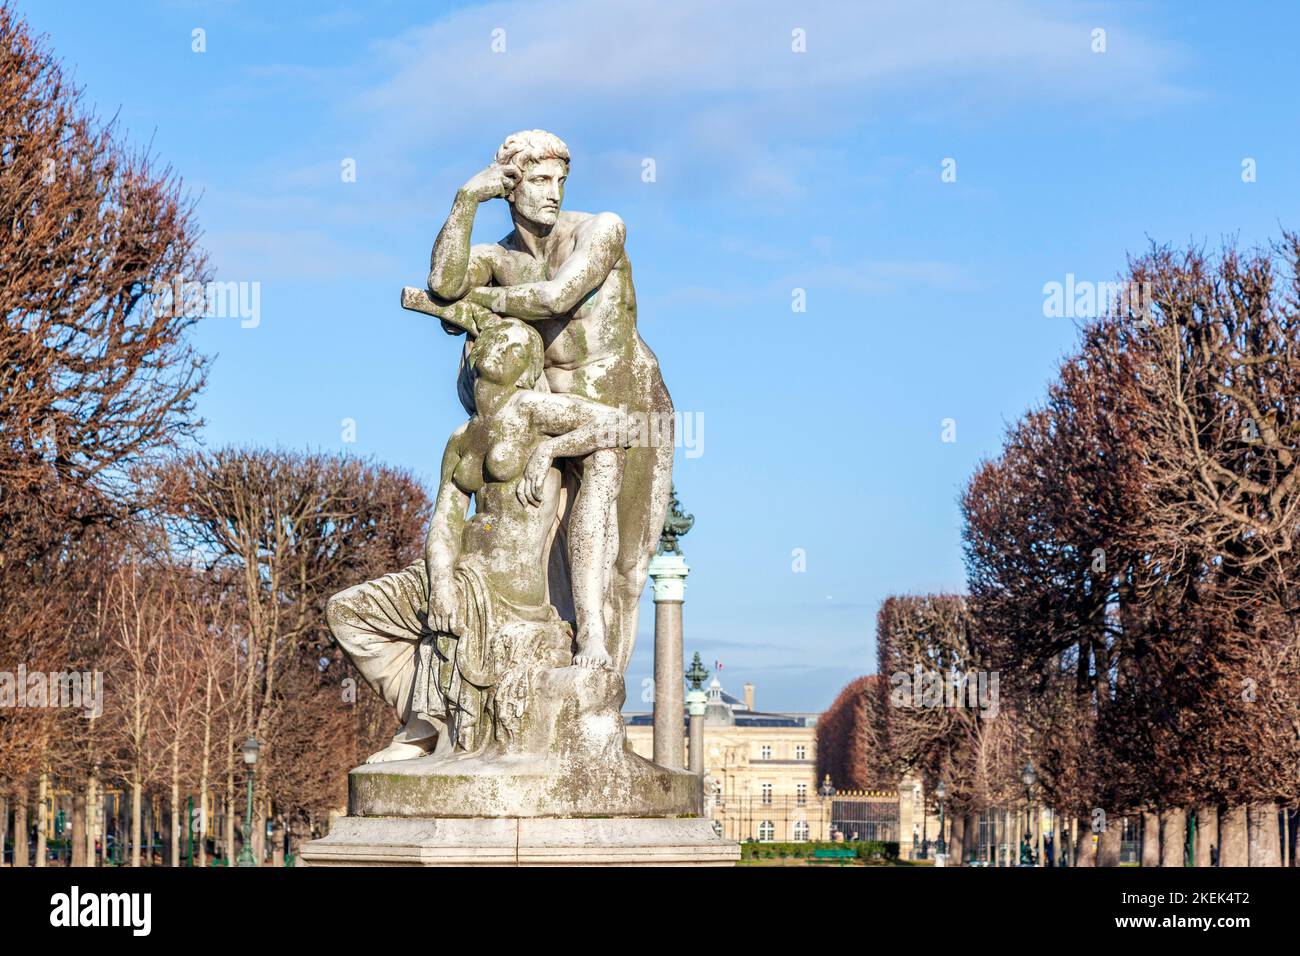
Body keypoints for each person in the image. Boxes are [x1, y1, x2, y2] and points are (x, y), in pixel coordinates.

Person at [327, 317, 634, 762]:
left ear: (527, 369)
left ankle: (423, 728)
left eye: (514, 345)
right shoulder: (461, 437)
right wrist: (443, 581)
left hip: (509, 585)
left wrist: (551, 449)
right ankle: (422, 720)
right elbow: (445, 523)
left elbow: (621, 427)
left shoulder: (531, 410)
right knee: (347, 610)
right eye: (496, 339)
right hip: (462, 570)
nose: (499, 347)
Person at [425, 130, 673, 673]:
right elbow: (442, 285)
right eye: (539, 180)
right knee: (553, 555)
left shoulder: (601, 229)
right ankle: (575, 664)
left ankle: (604, 691)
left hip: (629, 402)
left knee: (627, 569)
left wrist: (478, 303)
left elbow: (557, 295)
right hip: (551, 409)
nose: (554, 192)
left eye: (560, 180)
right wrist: (466, 199)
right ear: (508, 187)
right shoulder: (498, 257)